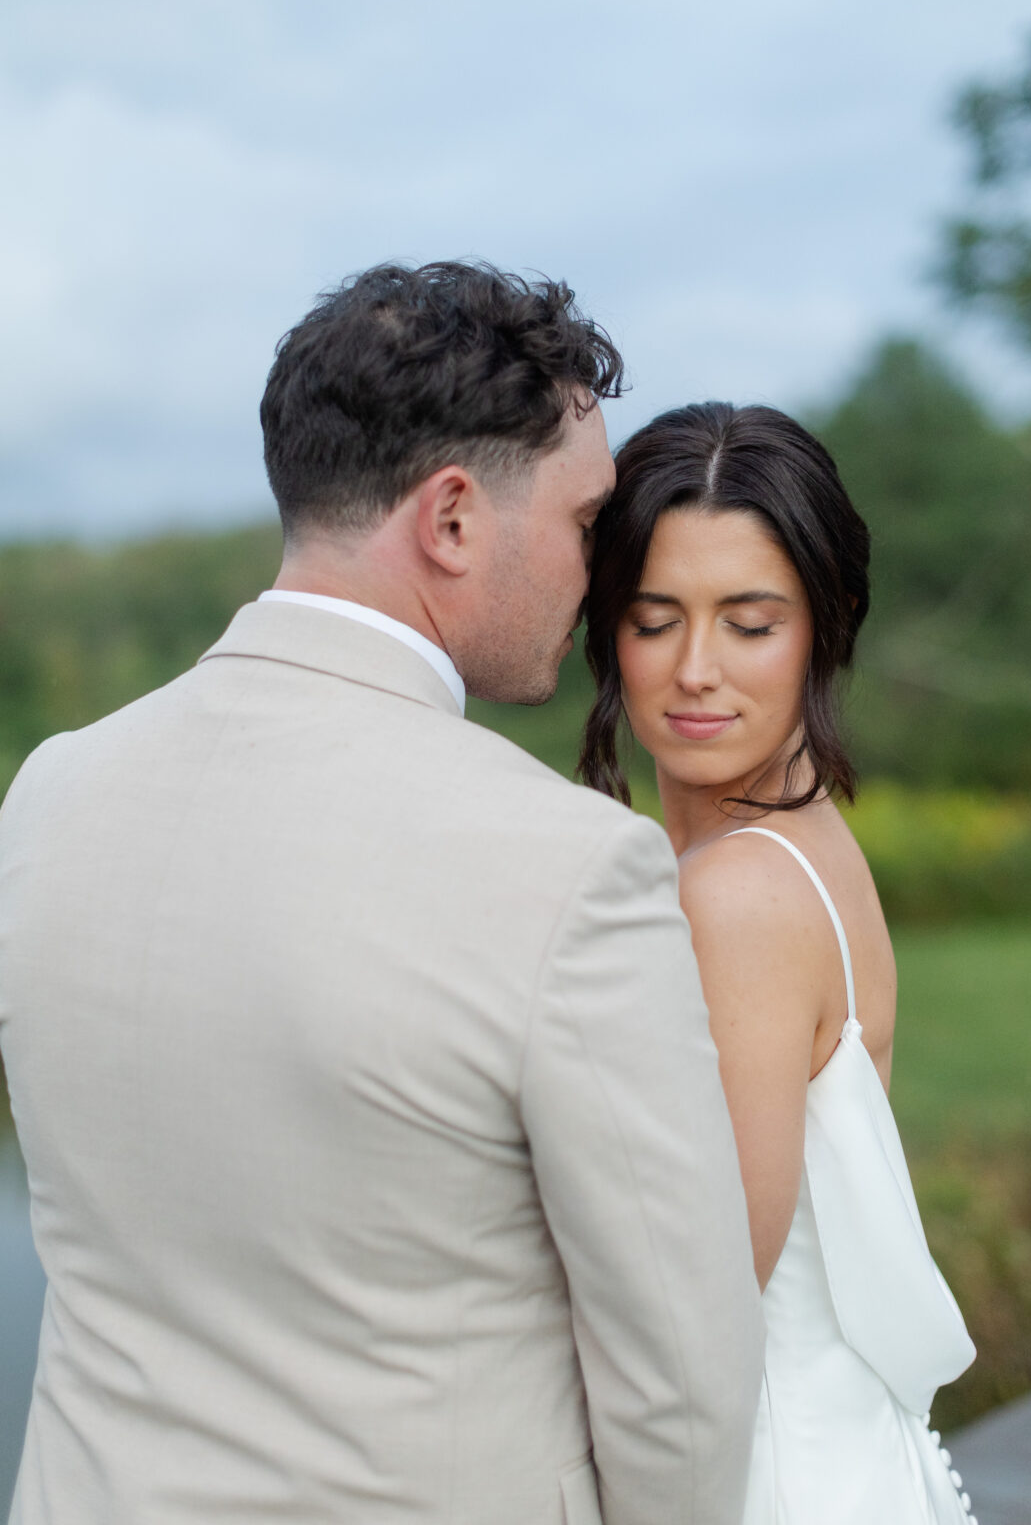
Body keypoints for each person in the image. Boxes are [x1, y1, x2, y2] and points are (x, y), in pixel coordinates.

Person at [0, 264, 763, 1525]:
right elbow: (679, 1384)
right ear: (452, 518)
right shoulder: (566, 866)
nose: (597, 581)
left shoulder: (49, 793)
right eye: (583, 524)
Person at [579, 401, 978, 1525]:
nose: (693, 670)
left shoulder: (736, 889)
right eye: (653, 620)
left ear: (828, 620)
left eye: (749, 623)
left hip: (764, 1475)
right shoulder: (801, 842)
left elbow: (702, 1285)